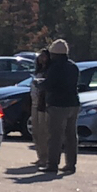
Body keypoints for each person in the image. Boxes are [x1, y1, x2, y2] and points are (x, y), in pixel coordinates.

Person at [38, 39, 81, 173]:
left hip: (57, 105)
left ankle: (52, 164)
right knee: (71, 136)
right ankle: (71, 164)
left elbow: (50, 84)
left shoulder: (55, 67)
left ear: (54, 54)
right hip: (73, 103)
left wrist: (39, 84)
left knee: (55, 136)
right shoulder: (73, 66)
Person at [29, 49, 51, 169]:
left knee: (43, 131)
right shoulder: (38, 70)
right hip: (34, 103)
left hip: (43, 104)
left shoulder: (49, 71)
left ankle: (46, 158)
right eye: (40, 56)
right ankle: (40, 156)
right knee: (36, 131)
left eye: (44, 56)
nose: (41, 59)